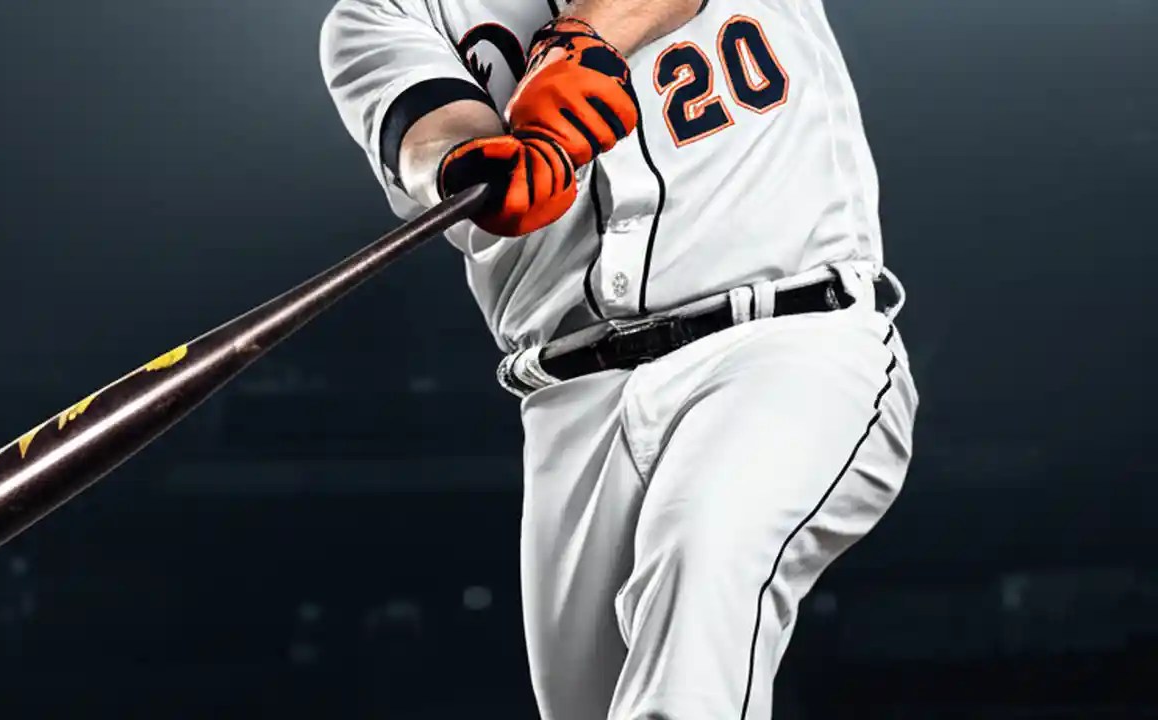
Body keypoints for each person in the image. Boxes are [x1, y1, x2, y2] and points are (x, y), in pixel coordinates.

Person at [320, 1, 918, 717]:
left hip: (783, 342)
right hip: (573, 407)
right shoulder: (374, 16)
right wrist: (469, 163)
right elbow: (425, 133)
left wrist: (579, 41)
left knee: (701, 555)